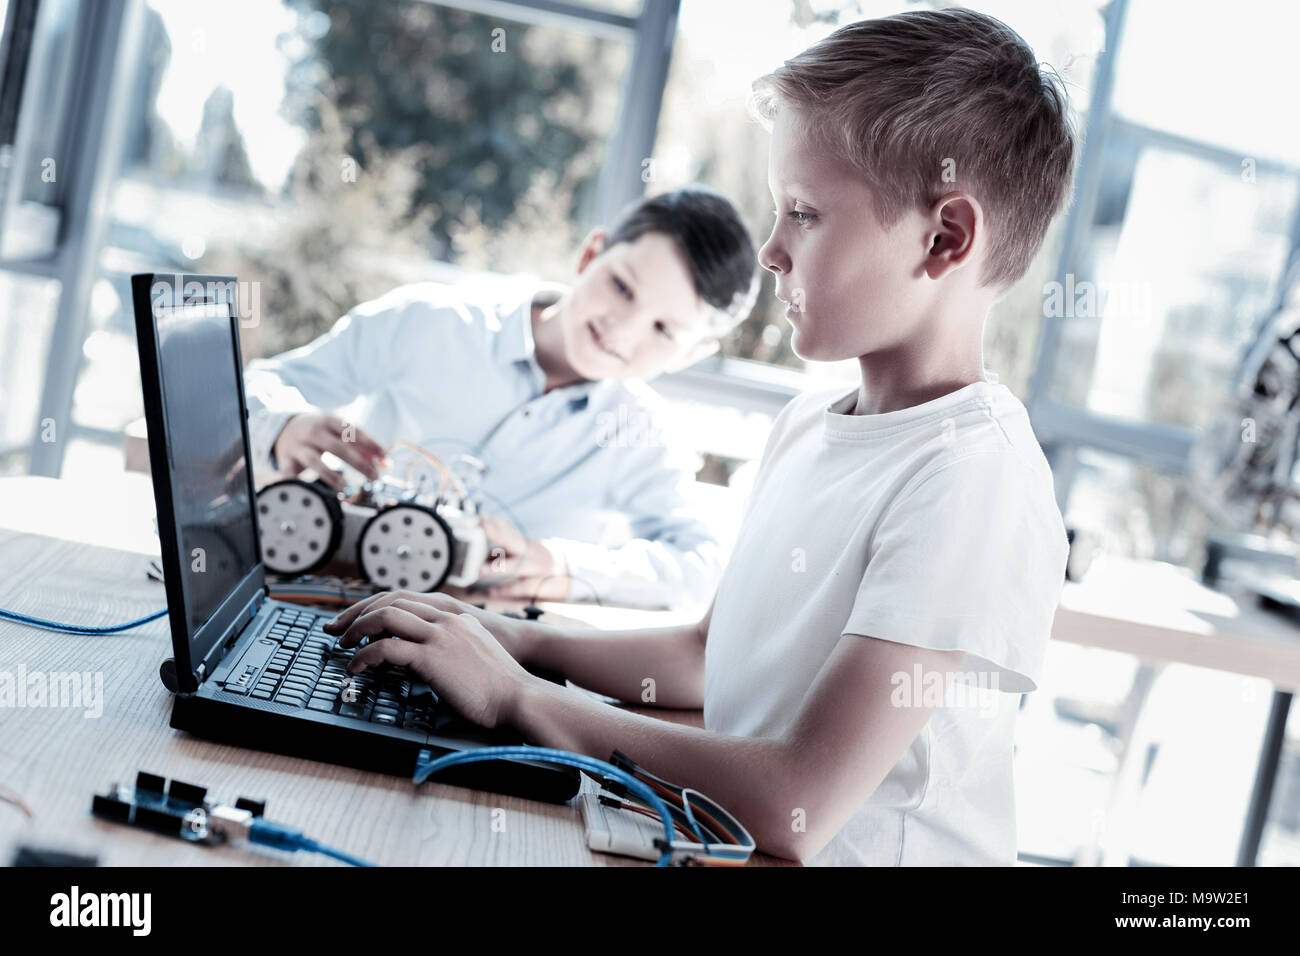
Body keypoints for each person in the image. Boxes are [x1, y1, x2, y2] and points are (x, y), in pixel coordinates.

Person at [323, 7, 1076, 864]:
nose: (770, 251)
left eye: (804, 212)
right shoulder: (811, 423)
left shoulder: (972, 478)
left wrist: (518, 697)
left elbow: (794, 807)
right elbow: (704, 655)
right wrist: (508, 638)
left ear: (945, 237)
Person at [244, 187, 759, 610]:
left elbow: (705, 566)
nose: (622, 329)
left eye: (664, 329)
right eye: (622, 288)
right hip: (315, 595)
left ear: (691, 354)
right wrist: (283, 423)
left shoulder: (641, 435)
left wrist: (562, 566)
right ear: (589, 255)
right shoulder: (427, 322)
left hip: (474, 654)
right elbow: (252, 383)